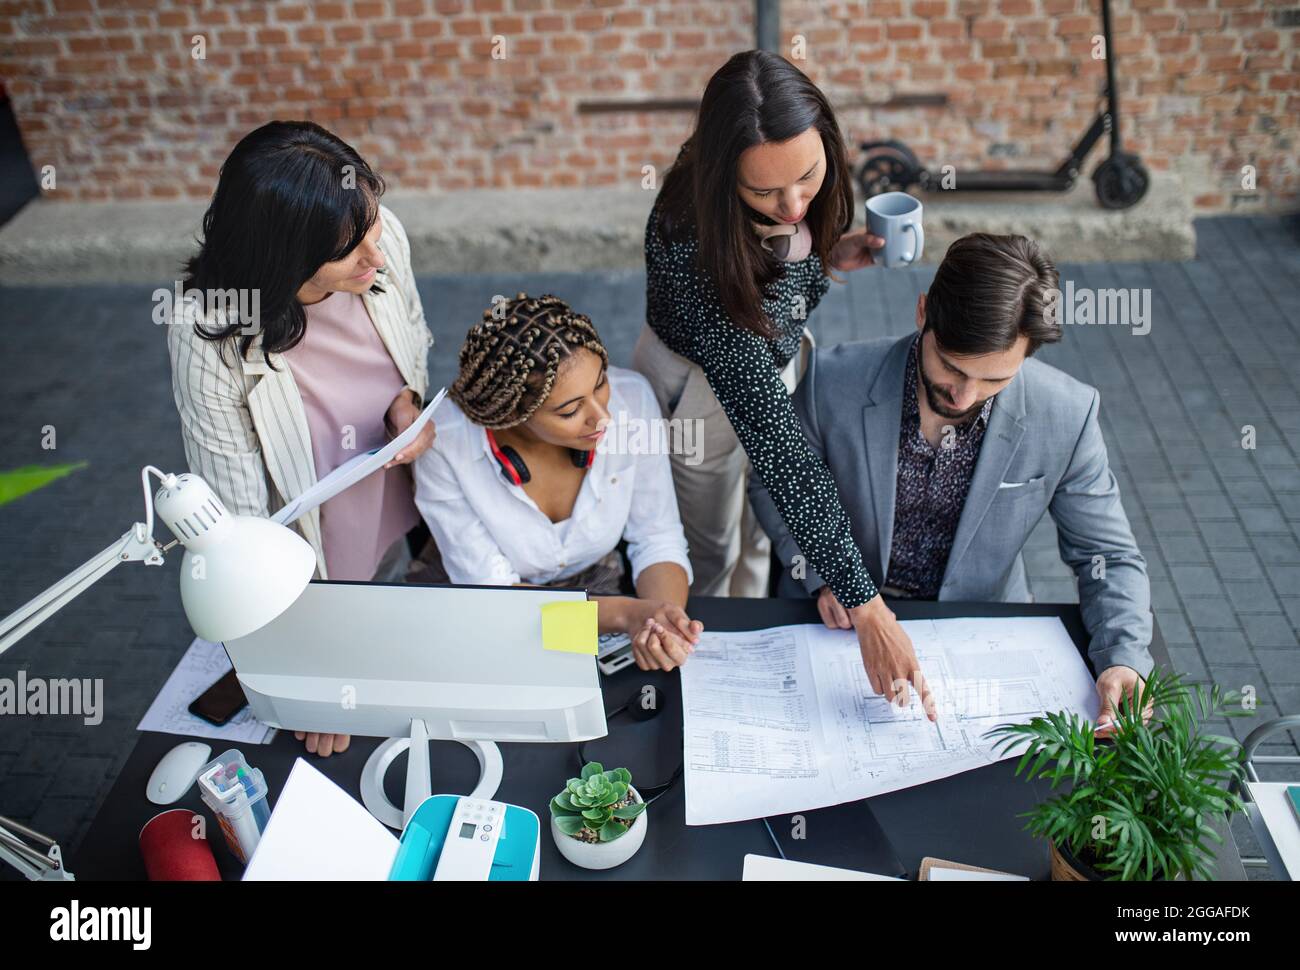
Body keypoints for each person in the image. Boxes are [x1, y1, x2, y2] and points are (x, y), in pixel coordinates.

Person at [749, 233, 1155, 731]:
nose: (965, 396)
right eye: (953, 368)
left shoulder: (1067, 414)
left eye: (994, 381)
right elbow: (771, 486)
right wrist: (824, 575)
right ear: (923, 313)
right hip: (835, 626)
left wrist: (1123, 657)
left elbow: (1108, 556)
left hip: (981, 637)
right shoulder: (831, 381)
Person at [635, 49, 920, 707]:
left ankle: (749, 644)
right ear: (721, 173)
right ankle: (697, 681)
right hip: (697, 391)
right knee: (707, 547)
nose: (794, 204)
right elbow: (784, 453)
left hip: (768, 363)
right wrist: (867, 605)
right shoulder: (692, 244)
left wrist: (825, 257)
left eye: (807, 178)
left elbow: (780, 272)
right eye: (765, 192)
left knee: (761, 539)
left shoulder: (786, 193)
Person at [167, 121, 436, 757]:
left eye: (373, 229)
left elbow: (414, 331)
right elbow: (238, 519)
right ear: (283, 256)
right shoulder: (204, 328)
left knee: (386, 566)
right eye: (351, 253)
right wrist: (312, 672)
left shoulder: (375, 229)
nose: (377, 257)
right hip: (308, 512)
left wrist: (409, 405)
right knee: (342, 587)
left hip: (385, 466)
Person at [413, 293, 703, 672]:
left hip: (599, 594)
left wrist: (662, 623)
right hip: (486, 600)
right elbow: (495, 598)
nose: (603, 419)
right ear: (512, 414)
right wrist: (627, 617)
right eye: (570, 410)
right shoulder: (443, 442)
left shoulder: (633, 398)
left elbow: (656, 536)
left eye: (600, 384)